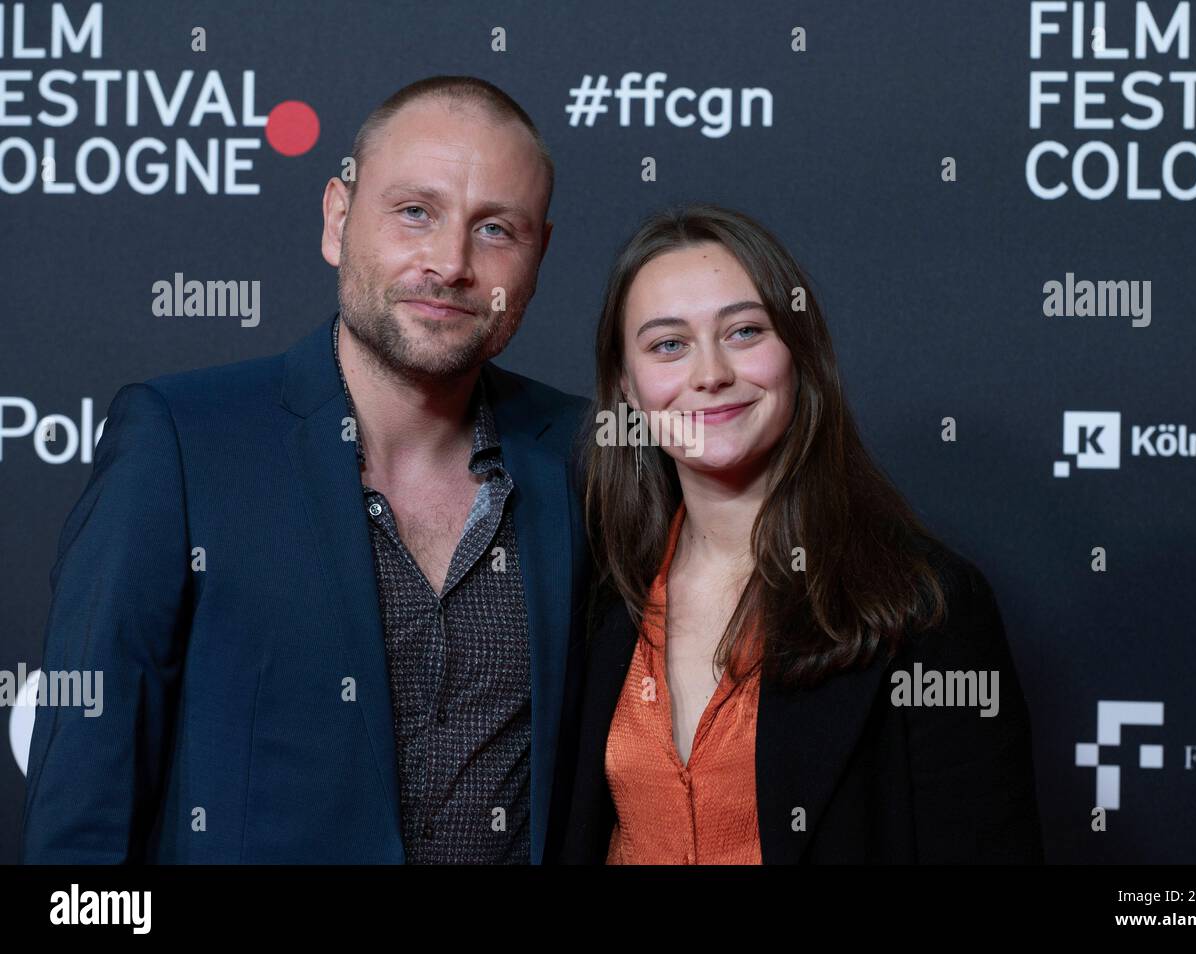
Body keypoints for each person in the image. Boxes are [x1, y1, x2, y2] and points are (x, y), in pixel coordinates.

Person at [22, 76, 590, 864]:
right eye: (415, 212)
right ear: (337, 218)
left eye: (496, 229)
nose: (450, 263)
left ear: (538, 255)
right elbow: (81, 818)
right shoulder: (183, 441)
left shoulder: (585, 458)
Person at [562, 204, 1044, 864]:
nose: (710, 374)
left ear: (799, 350)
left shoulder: (926, 606)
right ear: (627, 386)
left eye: (744, 332)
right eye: (668, 345)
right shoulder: (595, 595)